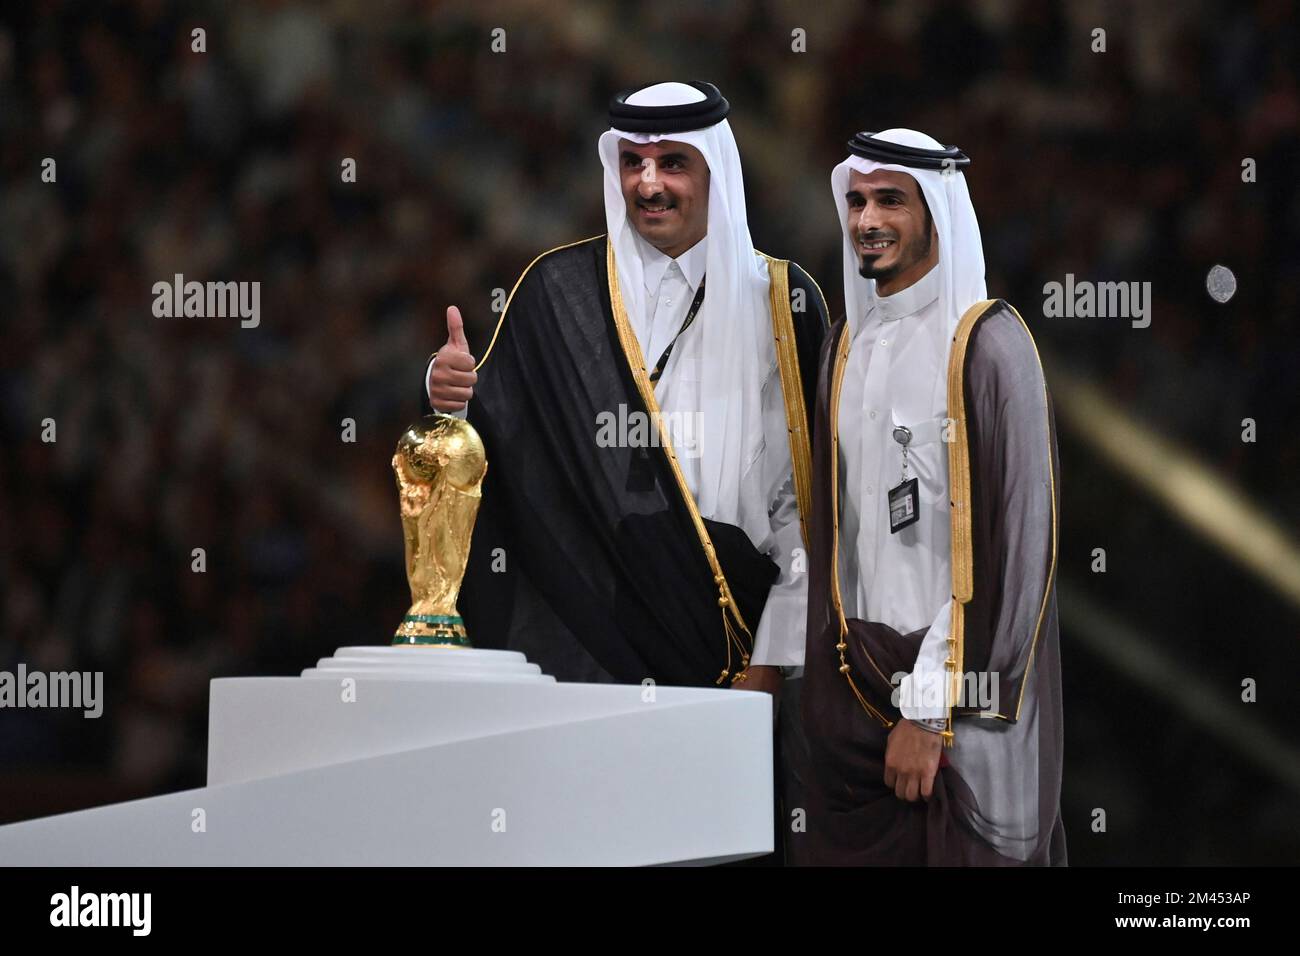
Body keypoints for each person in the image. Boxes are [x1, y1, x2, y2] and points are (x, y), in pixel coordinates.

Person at [422, 82, 828, 856]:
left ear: (716, 172)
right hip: (592, 641)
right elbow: (496, 458)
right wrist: (448, 399)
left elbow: (805, 518)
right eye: (633, 162)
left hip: (730, 659)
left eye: (673, 163)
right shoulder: (559, 292)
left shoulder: (786, 305)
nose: (648, 183)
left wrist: (771, 671)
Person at [797, 129, 1066, 866]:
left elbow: (1017, 549)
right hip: (853, 708)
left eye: (891, 200)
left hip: (947, 714)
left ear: (938, 212)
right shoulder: (841, 350)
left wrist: (928, 707)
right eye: (855, 201)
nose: (867, 219)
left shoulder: (989, 346)